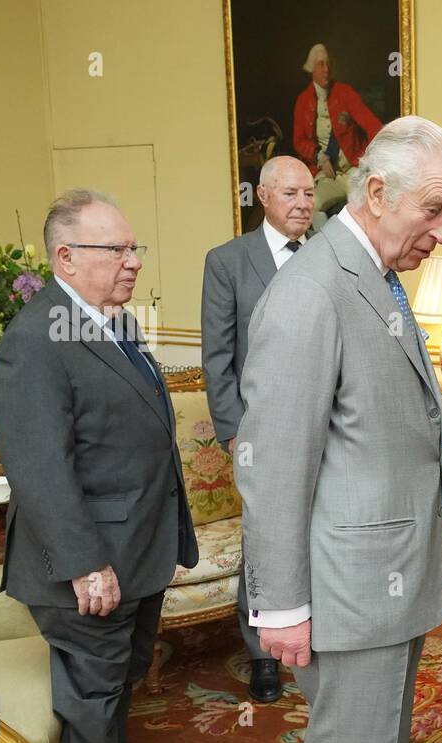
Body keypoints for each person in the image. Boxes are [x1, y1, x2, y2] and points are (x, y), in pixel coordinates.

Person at [235, 116, 442, 743]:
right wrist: (278, 605)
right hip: (352, 596)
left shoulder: (370, 272)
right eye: (434, 210)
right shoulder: (312, 291)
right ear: (378, 192)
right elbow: (274, 462)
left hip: (383, 588)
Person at [0, 189, 198, 743]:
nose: (133, 261)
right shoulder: (34, 339)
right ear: (67, 257)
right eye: (119, 250)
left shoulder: (109, 320)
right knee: (94, 678)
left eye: (135, 247)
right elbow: (40, 467)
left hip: (134, 543)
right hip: (86, 555)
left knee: (123, 668)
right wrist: (84, 562)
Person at [200, 155, 314, 704]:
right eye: (291, 193)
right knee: (265, 537)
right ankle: (261, 653)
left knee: (319, 528)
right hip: (260, 432)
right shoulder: (228, 261)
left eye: (310, 194)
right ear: (264, 197)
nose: (303, 204)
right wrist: (232, 431)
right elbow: (218, 357)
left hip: (323, 427)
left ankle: (314, 631)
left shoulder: (326, 257)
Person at [292, 43, 384, 217]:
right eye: (321, 64)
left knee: (370, 208)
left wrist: (369, 160)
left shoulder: (345, 93)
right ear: (312, 69)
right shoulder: (303, 101)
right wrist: (319, 156)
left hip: (353, 171)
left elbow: (374, 127)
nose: (326, 69)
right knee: (314, 207)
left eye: (328, 64)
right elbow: (299, 141)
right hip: (326, 174)